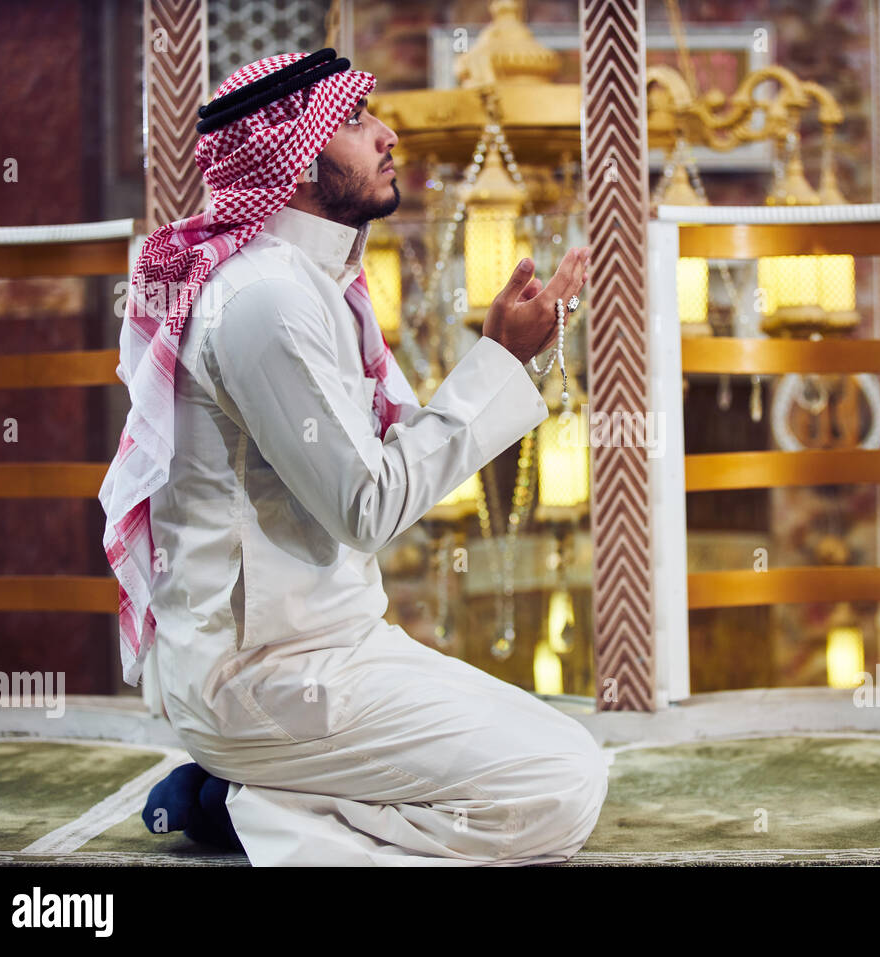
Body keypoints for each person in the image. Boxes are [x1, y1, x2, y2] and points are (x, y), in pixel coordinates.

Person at [99, 49, 606, 865]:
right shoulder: (265, 299)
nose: (387, 134)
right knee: (560, 783)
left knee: (569, 751)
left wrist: (507, 360)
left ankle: (238, 796)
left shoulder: (313, 281)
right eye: (353, 120)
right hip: (259, 677)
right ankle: (256, 805)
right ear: (293, 159)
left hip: (338, 647)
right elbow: (367, 506)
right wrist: (502, 363)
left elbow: (389, 452)